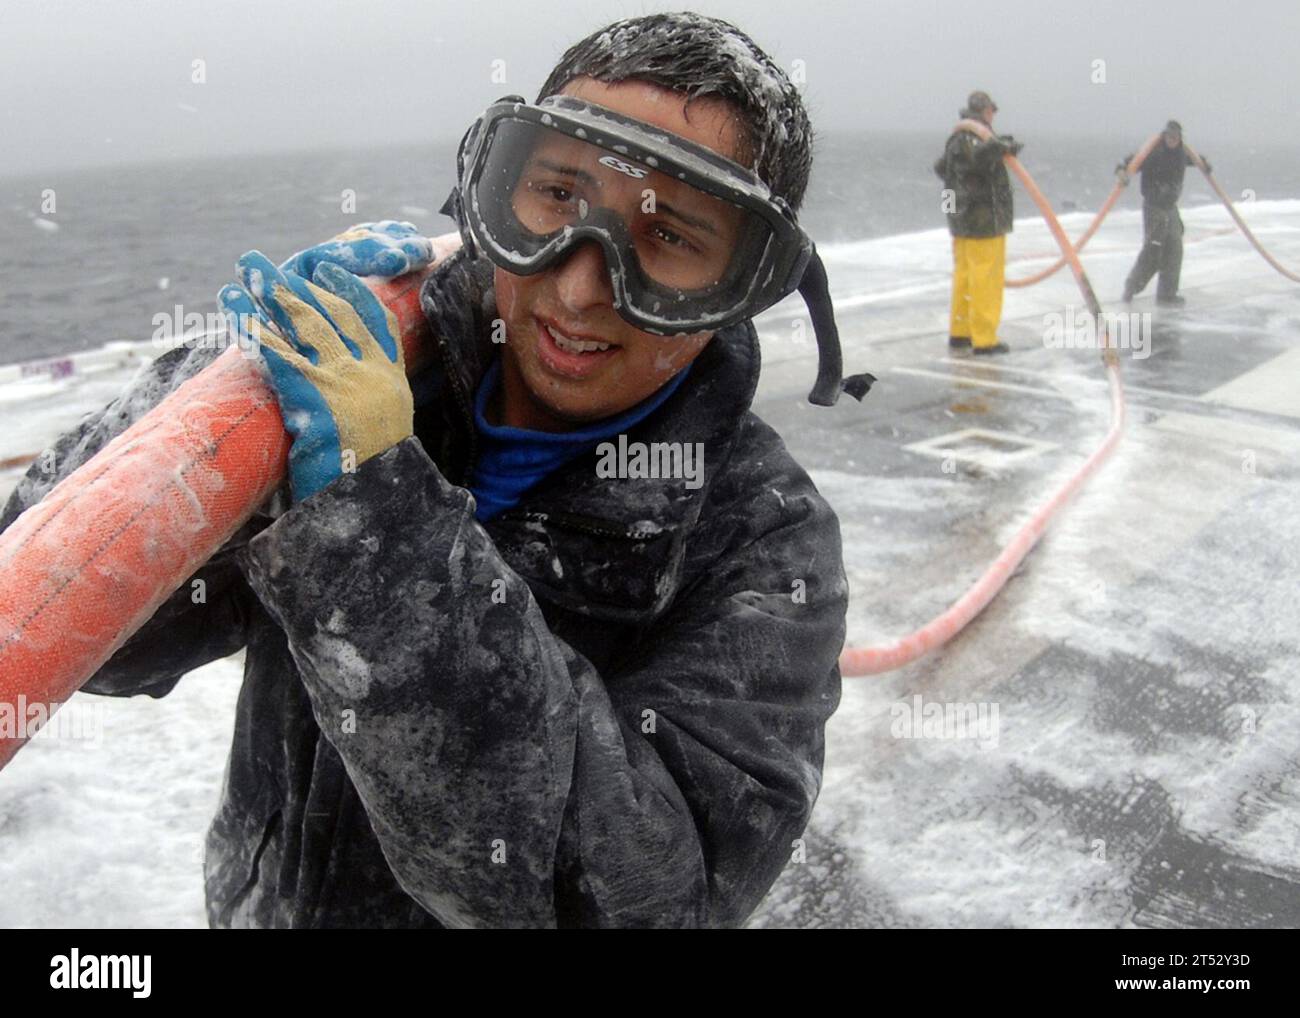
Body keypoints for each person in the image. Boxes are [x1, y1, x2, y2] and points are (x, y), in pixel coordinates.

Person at [0, 13, 871, 928]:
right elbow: (98, 643)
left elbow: (635, 902)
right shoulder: (380, 382)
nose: (578, 287)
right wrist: (235, 395)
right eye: (556, 197)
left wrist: (377, 526)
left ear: (740, 288)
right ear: (499, 191)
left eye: (671, 241)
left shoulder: (766, 550)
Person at [934, 90, 1022, 355]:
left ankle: (960, 332)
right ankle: (984, 339)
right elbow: (981, 159)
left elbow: (942, 167)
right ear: (985, 111)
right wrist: (1003, 146)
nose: (993, 115)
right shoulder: (973, 139)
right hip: (983, 221)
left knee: (966, 276)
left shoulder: (958, 139)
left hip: (962, 221)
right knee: (985, 278)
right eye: (992, 110)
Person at [1119, 119, 1209, 306]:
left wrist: (1206, 165)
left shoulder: (1182, 153)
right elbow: (1129, 163)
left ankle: (1167, 295)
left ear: (1179, 138)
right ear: (1164, 135)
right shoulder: (1153, 152)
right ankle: (1132, 287)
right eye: (1169, 136)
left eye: (1175, 137)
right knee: (1154, 249)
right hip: (1154, 206)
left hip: (1171, 207)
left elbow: (1199, 161)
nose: (1172, 140)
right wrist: (1122, 171)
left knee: (1174, 249)